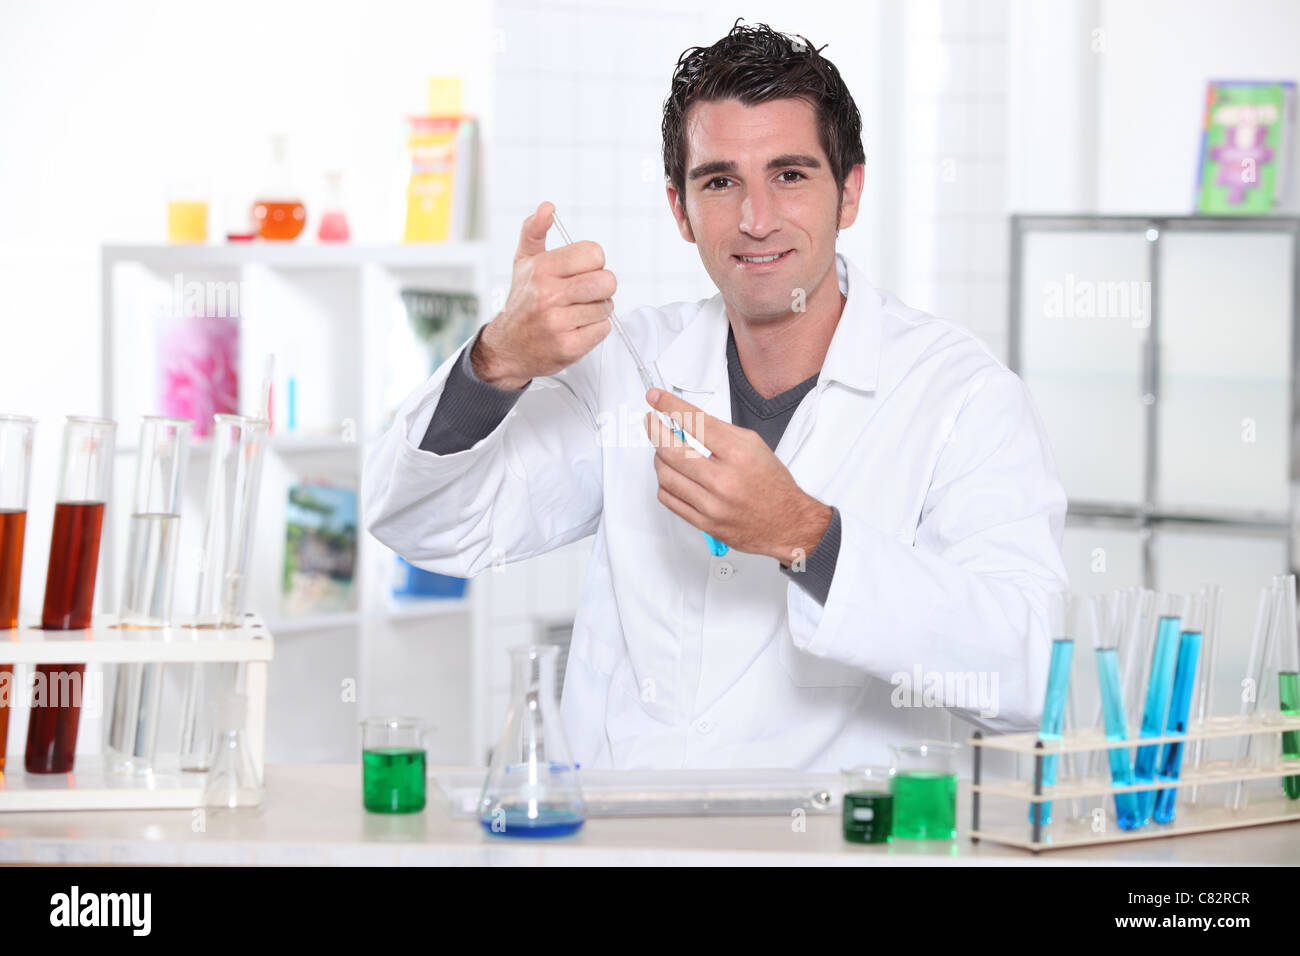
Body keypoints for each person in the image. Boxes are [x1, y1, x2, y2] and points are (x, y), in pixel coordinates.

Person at [362, 21, 1069, 771]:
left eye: (791, 175)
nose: (756, 218)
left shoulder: (959, 394)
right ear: (680, 209)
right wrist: (497, 358)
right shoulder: (626, 367)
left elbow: (1025, 671)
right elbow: (423, 521)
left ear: (850, 192)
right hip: (624, 838)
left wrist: (806, 534)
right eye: (720, 181)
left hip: (833, 845)